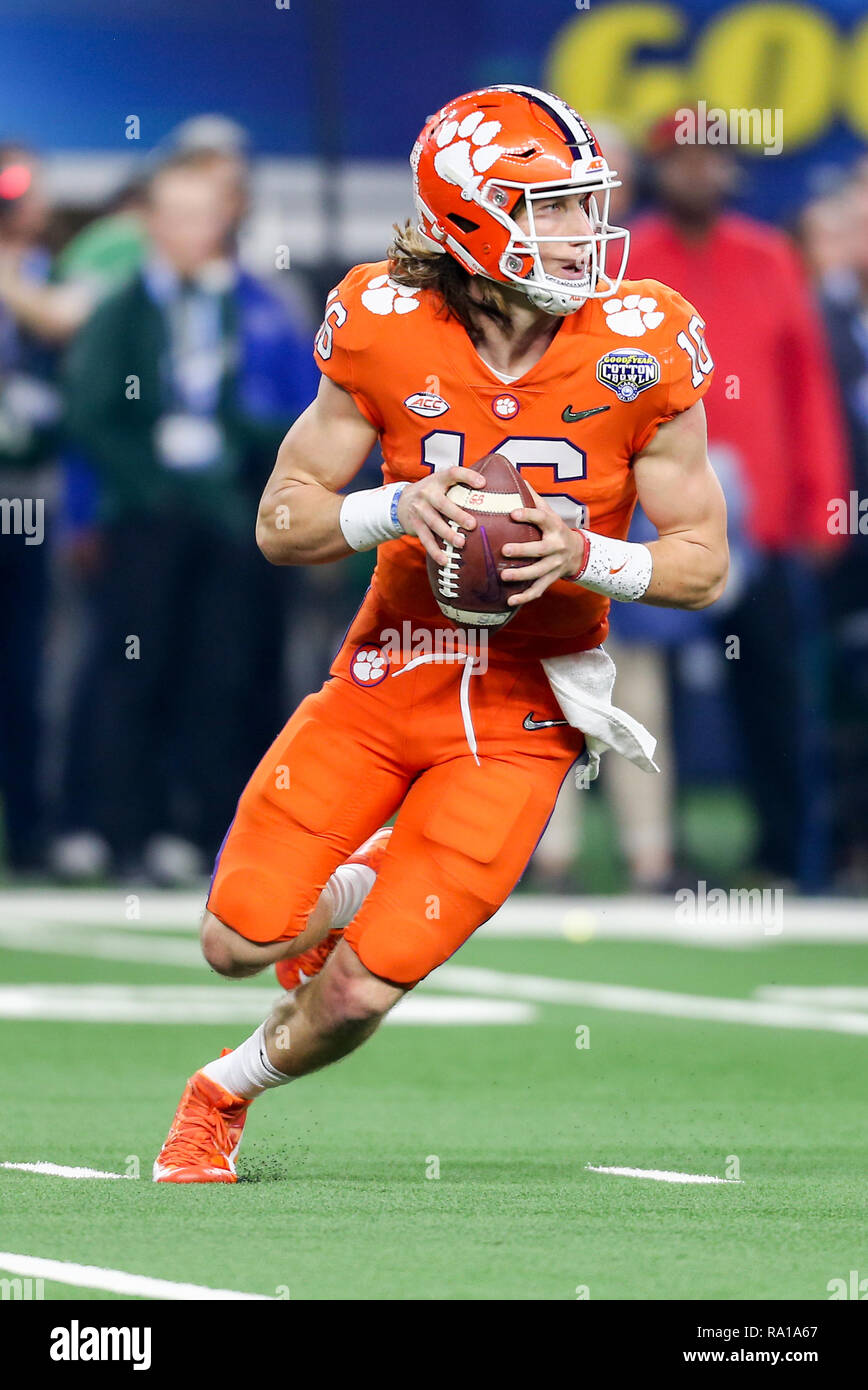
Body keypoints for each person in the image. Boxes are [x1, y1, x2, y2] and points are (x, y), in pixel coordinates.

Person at [152, 85, 728, 1183]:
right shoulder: (379, 318)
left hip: (524, 710)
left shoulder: (642, 341)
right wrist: (388, 507)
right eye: (548, 207)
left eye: (581, 204)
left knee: (366, 986)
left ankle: (221, 1091)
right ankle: (362, 881)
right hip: (383, 678)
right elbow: (283, 520)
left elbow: (704, 561)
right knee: (235, 941)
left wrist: (589, 555)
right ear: (468, 216)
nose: (580, 230)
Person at [63, 149, 315, 881]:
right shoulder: (123, 309)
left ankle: (208, 828)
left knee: (222, 671)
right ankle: (123, 828)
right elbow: (92, 413)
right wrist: (143, 488)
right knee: (134, 666)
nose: (189, 233)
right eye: (174, 218)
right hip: (144, 519)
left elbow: (299, 414)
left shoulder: (256, 305)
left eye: (202, 217)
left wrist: (237, 453)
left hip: (228, 517)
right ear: (151, 224)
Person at [628, 113, 850, 889]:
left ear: (730, 169)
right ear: (660, 169)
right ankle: (667, 854)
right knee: (654, 692)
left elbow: (809, 389)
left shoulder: (768, 258)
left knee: (774, 689)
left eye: (711, 159)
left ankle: (788, 856)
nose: (699, 173)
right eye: (683, 159)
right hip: (657, 512)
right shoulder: (630, 261)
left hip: (765, 518)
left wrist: (826, 502)